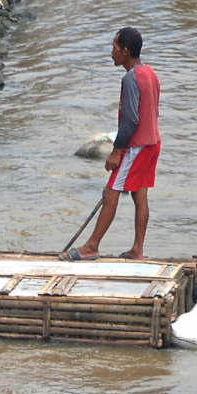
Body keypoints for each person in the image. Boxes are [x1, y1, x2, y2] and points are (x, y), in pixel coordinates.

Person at [64, 27, 160, 261]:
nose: (112, 52)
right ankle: (137, 250)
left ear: (125, 51)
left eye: (115, 47)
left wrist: (116, 152)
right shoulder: (150, 73)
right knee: (140, 195)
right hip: (153, 142)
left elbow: (130, 120)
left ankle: (92, 246)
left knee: (110, 192)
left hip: (136, 146)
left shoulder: (130, 78)